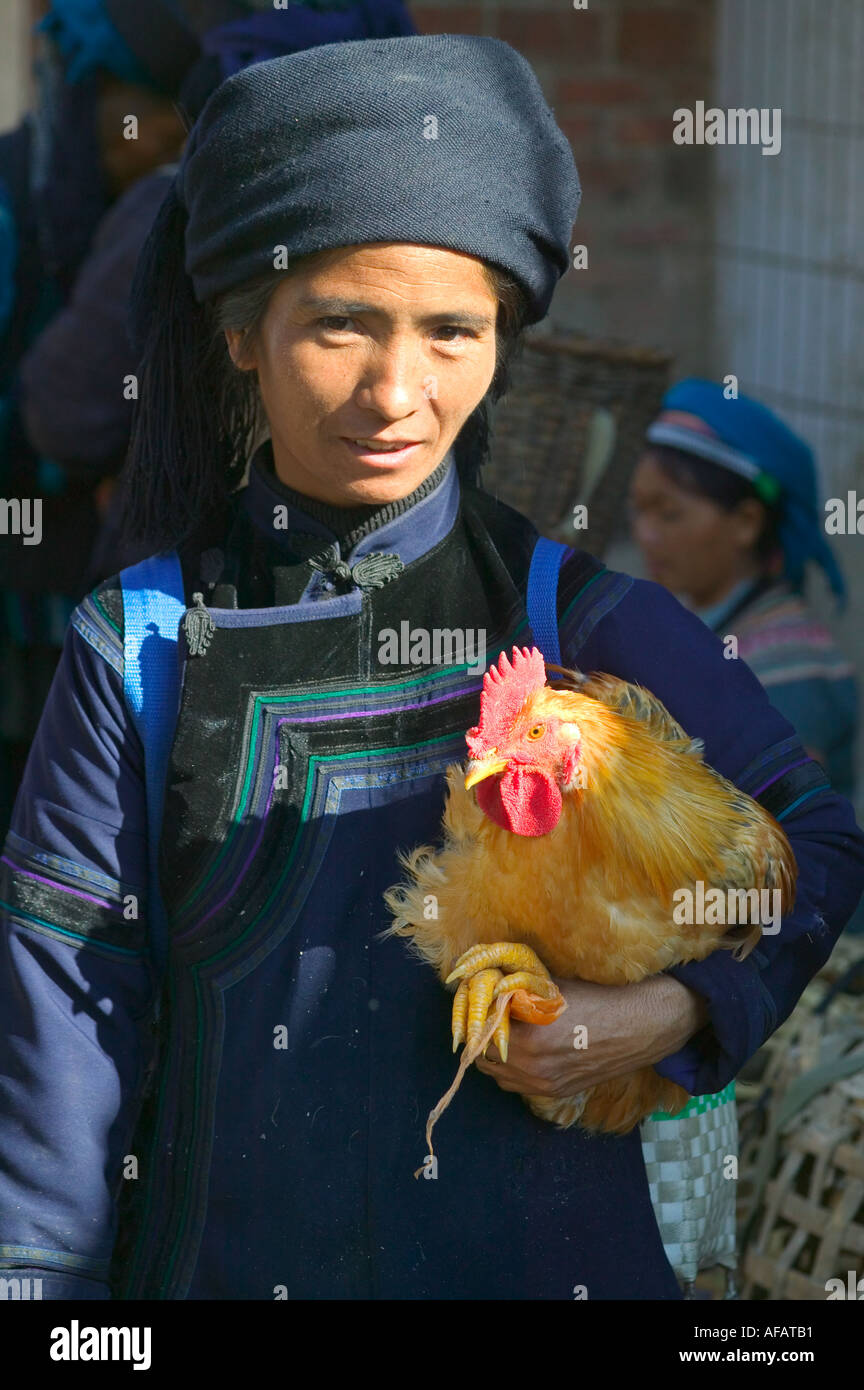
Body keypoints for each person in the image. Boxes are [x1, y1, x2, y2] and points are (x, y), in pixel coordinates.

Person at [0, 36, 862, 1301]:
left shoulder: (584, 619)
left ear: (504, 341)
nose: (397, 389)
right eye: (340, 324)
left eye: (454, 330)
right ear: (241, 332)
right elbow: (63, 1030)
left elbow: (821, 847)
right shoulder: (140, 646)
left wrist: (668, 1016)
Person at [0, 0, 417, 846]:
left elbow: (62, 412)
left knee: (146, 852)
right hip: (384, 610)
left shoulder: (176, 206)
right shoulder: (422, 221)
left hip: (181, 609)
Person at [629, 381, 858, 802]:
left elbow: (778, 837)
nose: (646, 535)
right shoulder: (699, 618)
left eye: (669, 514)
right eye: (640, 510)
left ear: (746, 523)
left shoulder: (788, 672)